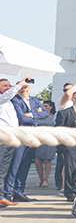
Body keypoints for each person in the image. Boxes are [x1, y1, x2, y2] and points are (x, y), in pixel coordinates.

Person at [9, 83, 51, 202]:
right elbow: (21, 118)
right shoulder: (15, 100)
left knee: (25, 166)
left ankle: (19, 192)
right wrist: (36, 117)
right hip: (20, 137)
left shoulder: (34, 100)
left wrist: (32, 114)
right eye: (21, 87)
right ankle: (8, 192)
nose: (23, 89)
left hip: (31, 137)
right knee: (15, 166)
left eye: (26, 87)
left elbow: (46, 113)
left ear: (29, 88)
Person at [0, 77, 30, 208]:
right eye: (4, 85)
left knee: (4, 169)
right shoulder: (2, 99)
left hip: (11, 137)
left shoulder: (10, 102)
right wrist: (18, 85)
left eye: (9, 85)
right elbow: (7, 95)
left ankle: (2, 196)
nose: (8, 87)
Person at [35, 100, 56, 187]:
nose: (44, 108)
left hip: (49, 140)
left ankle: (45, 180)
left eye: (46, 106)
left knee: (47, 160)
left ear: (51, 107)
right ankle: (40, 179)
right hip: (39, 140)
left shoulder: (54, 116)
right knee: (37, 161)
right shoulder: (39, 116)